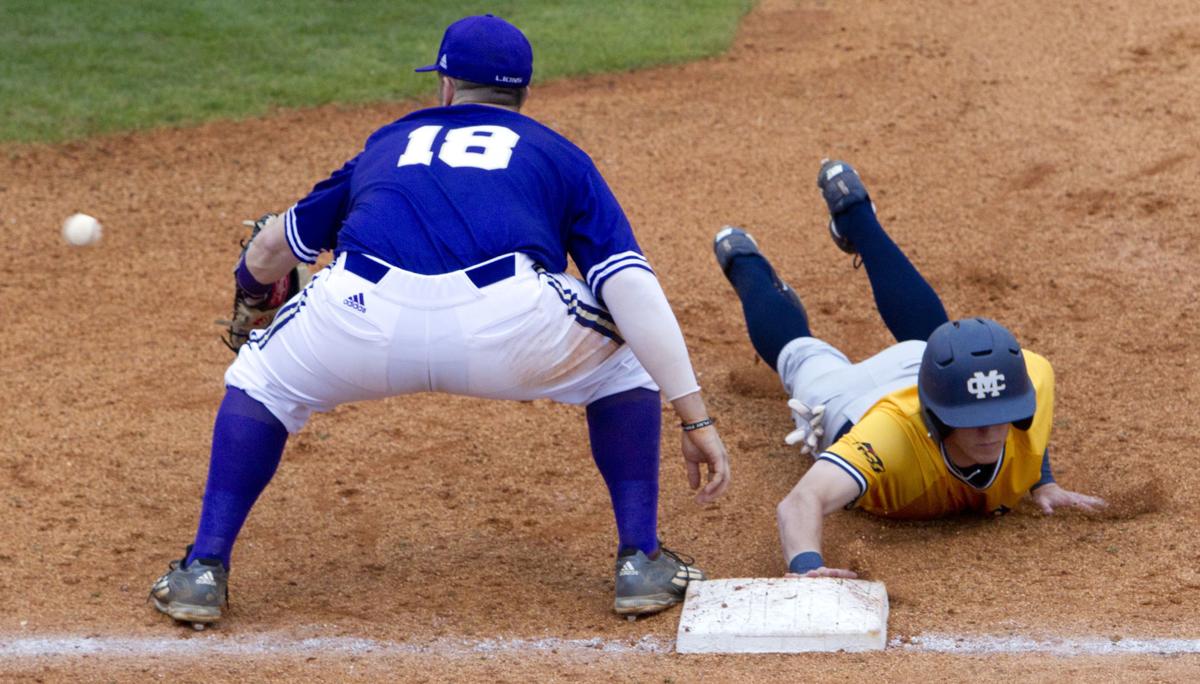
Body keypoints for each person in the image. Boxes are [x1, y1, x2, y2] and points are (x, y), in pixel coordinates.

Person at [150, 14, 730, 627]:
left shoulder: (386, 144)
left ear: (447, 86)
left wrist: (248, 291)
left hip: (357, 317)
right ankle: (641, 560)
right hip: (508, 326)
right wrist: (694, 415)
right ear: (523, 94)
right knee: (628, 357)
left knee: (259, 381)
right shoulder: (558, 155)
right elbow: (628, 283)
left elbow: (272, 251)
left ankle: (202, 570)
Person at [712, 159, 1105, 578]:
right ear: (937, 418)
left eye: (1000, 416)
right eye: (974, 423)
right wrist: (808, 565)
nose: (991, 432)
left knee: (946, 343)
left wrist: (1042, 481)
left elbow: (1027, 418)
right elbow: (799, 501)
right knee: (801, 355)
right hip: (846, 401)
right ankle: (743, 261)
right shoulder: (888, 440)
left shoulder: (1030, 376)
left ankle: (855, 216)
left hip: (937, 379)